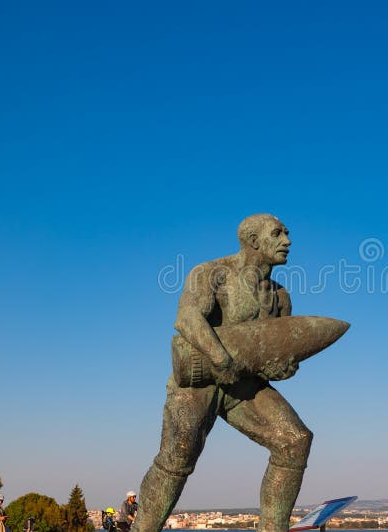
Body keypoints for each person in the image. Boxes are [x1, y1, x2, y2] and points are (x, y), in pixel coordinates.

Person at [132, 214, 312, 532]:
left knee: (294, 441)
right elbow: (187, 319)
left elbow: (275, 353)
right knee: (179, 454)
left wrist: (284, 369)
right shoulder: (212, 274)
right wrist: (220, 359)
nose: (288, 241)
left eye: (287, 233)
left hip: (244, 386)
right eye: (278, 234)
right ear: (254, 241)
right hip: (197, 380)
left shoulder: (280, 297)